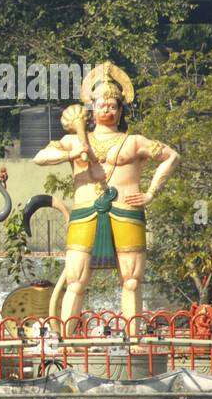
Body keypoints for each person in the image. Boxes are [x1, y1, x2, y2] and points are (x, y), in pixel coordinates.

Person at [33, 63, 179, 340]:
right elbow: (39, 157)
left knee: (132, 279)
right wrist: (72, 153)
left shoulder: (134, 141)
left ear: (121, 110)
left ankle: (134, 341)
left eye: (113, 105)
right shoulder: (73, 140)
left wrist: (150, 193)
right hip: (85, 210)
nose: (107, 110)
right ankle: (65, 340)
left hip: (127, 209)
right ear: (91, 109)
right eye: (102, 104)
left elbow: (171, 156)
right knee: (75, 279)